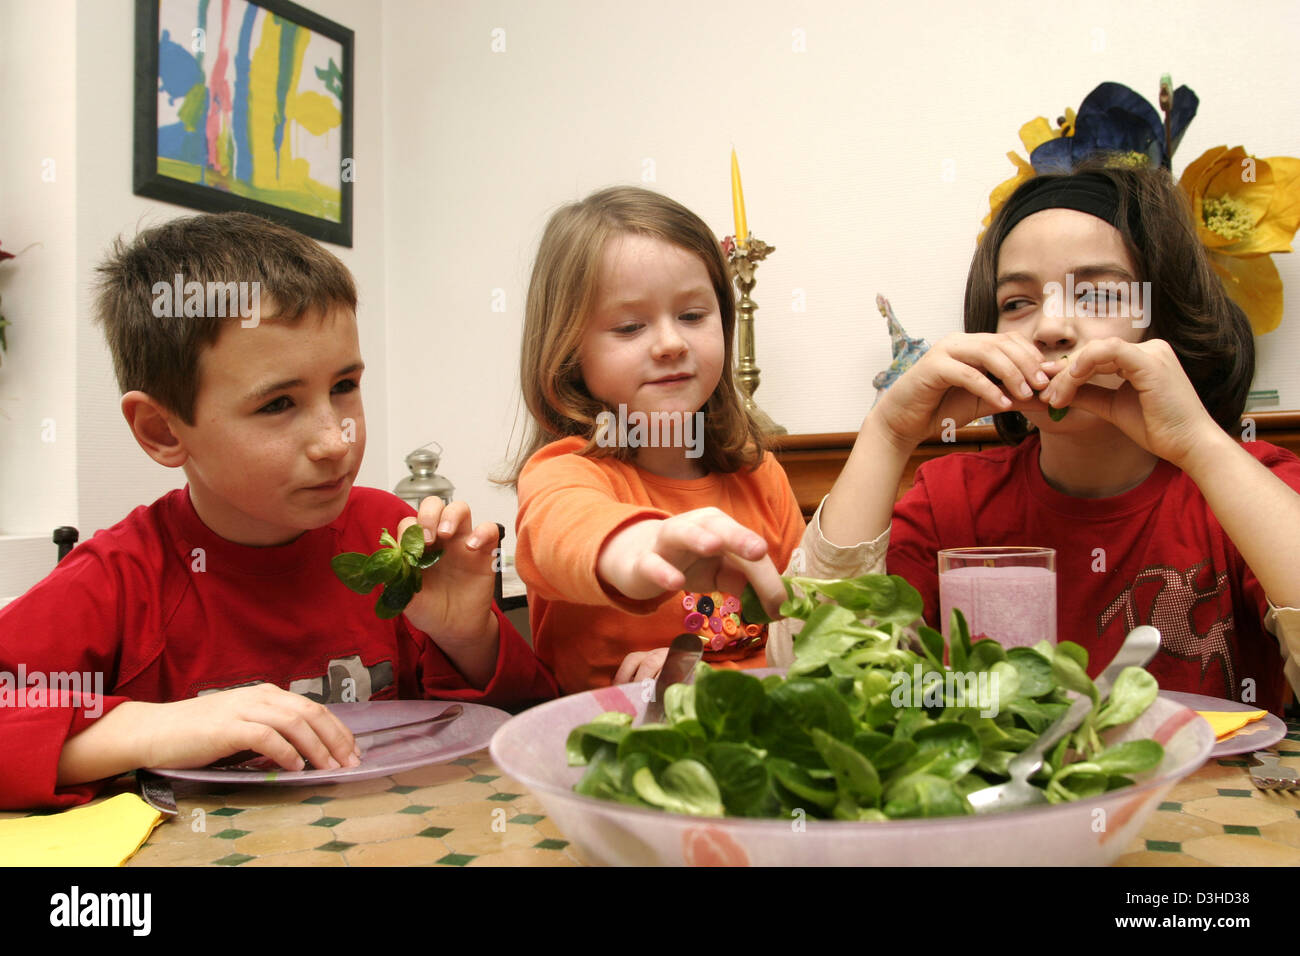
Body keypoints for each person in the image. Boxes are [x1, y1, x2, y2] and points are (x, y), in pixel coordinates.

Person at [0, 212, 557, 810]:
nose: (335, 439)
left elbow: (530, 735)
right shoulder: (118, 580)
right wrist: (146, 730)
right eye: (279, 404)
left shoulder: (383, 537)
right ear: (162, 429)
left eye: (344, 386)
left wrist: (466, 635)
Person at [770, 165, 1300, 716]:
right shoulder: (951, 501)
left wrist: (1199, 443)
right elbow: (811, 686)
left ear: (1159, 320)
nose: (1050, 328)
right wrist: (887, 432)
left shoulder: (1249, 486)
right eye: (1017, 303)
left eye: (1096, 294)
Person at [509, 186, 801, 694]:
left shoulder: (760, 475)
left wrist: (709, 670)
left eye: (692, 316)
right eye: (629, 326)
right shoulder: (563, 473)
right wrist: (634, 547)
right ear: (568, 351)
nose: (671, 343)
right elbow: (566, 530)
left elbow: (802, 628)